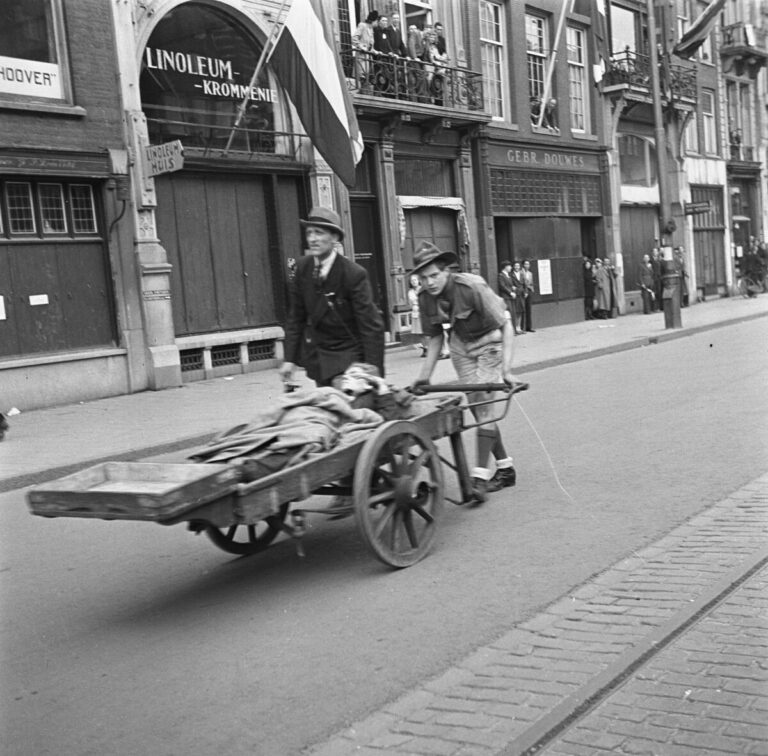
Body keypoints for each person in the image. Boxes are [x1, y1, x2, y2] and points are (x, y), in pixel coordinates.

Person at [411, 242, 518, 503]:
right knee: (479, 409)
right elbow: (436, 339)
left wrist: (506, 369)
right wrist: (424, 377)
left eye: (434, 275)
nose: (430, 282)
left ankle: (479, 478)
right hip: (460, 347)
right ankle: (505, 468)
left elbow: (506, 326)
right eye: (424, 278)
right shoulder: (426, 298)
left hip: (489, 342)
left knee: (484, 408)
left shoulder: (471, 286)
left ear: (446, 270)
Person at [279, 207, 385, 388]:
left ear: (334, 238)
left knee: (347, 409)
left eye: (319, 233)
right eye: (309, 233)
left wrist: (374, 373)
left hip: (350, 358)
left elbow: (371, 325)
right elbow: (296, 317)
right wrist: (290, 359)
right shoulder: (302, 268)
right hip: (319, 358)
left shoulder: (353, 274)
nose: (312, 239)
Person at [352, 10, 379, 93]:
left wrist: (375, 51)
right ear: (373, 20)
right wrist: (361, 46)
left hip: (368, 59)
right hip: (361, 57)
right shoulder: (362, 26)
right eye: (377, 21)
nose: (377, 23)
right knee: (361, 79)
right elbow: (354, 39)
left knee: (367, 81)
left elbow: (370, 46)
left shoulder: (371, 30)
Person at [497, 260, 520, 334]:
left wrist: (513, 288)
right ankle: (509, 331)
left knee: (513, 313)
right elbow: (502, 286)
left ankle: (513, 330)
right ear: (505, 267)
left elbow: (509, 285)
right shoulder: (501, 275)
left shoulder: (508, 275)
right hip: (506, 297)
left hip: (511, 297)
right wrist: (510, 293)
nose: (510, 267)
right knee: (508, 314)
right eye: (509, 266)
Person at [407, 273, 426, 355]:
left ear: (418, 281)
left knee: (426, 331)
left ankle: (429, 347)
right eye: (412, 280)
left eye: (415, 280)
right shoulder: (410, 292)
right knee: (419, 332)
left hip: (424, 311)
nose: (413, 282)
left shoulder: (423, 289)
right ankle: (425, 348)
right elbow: (410, 303)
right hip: (415, 312)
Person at [522, 260, 535, 332]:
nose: (527, 265)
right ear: (523, 265)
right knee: (523, 309)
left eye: (528, 264)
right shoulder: (521, 272)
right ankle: (522, 327)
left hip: (529, 291)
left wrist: (531, 289)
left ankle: (529, 327)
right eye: (525, 264)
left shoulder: (530, 273)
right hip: (523, 292)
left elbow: (531, 283)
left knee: (529, 309)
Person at [650, 245, 663, 311]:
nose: (656, 253)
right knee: (654, 292)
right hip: (653, 278)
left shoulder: (659, 260)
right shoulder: (650, 261)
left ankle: (660, 307)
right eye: (654, 251)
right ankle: (654, 308)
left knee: (659, 291)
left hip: (659, 278)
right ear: (652, 252)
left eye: (656, 251)